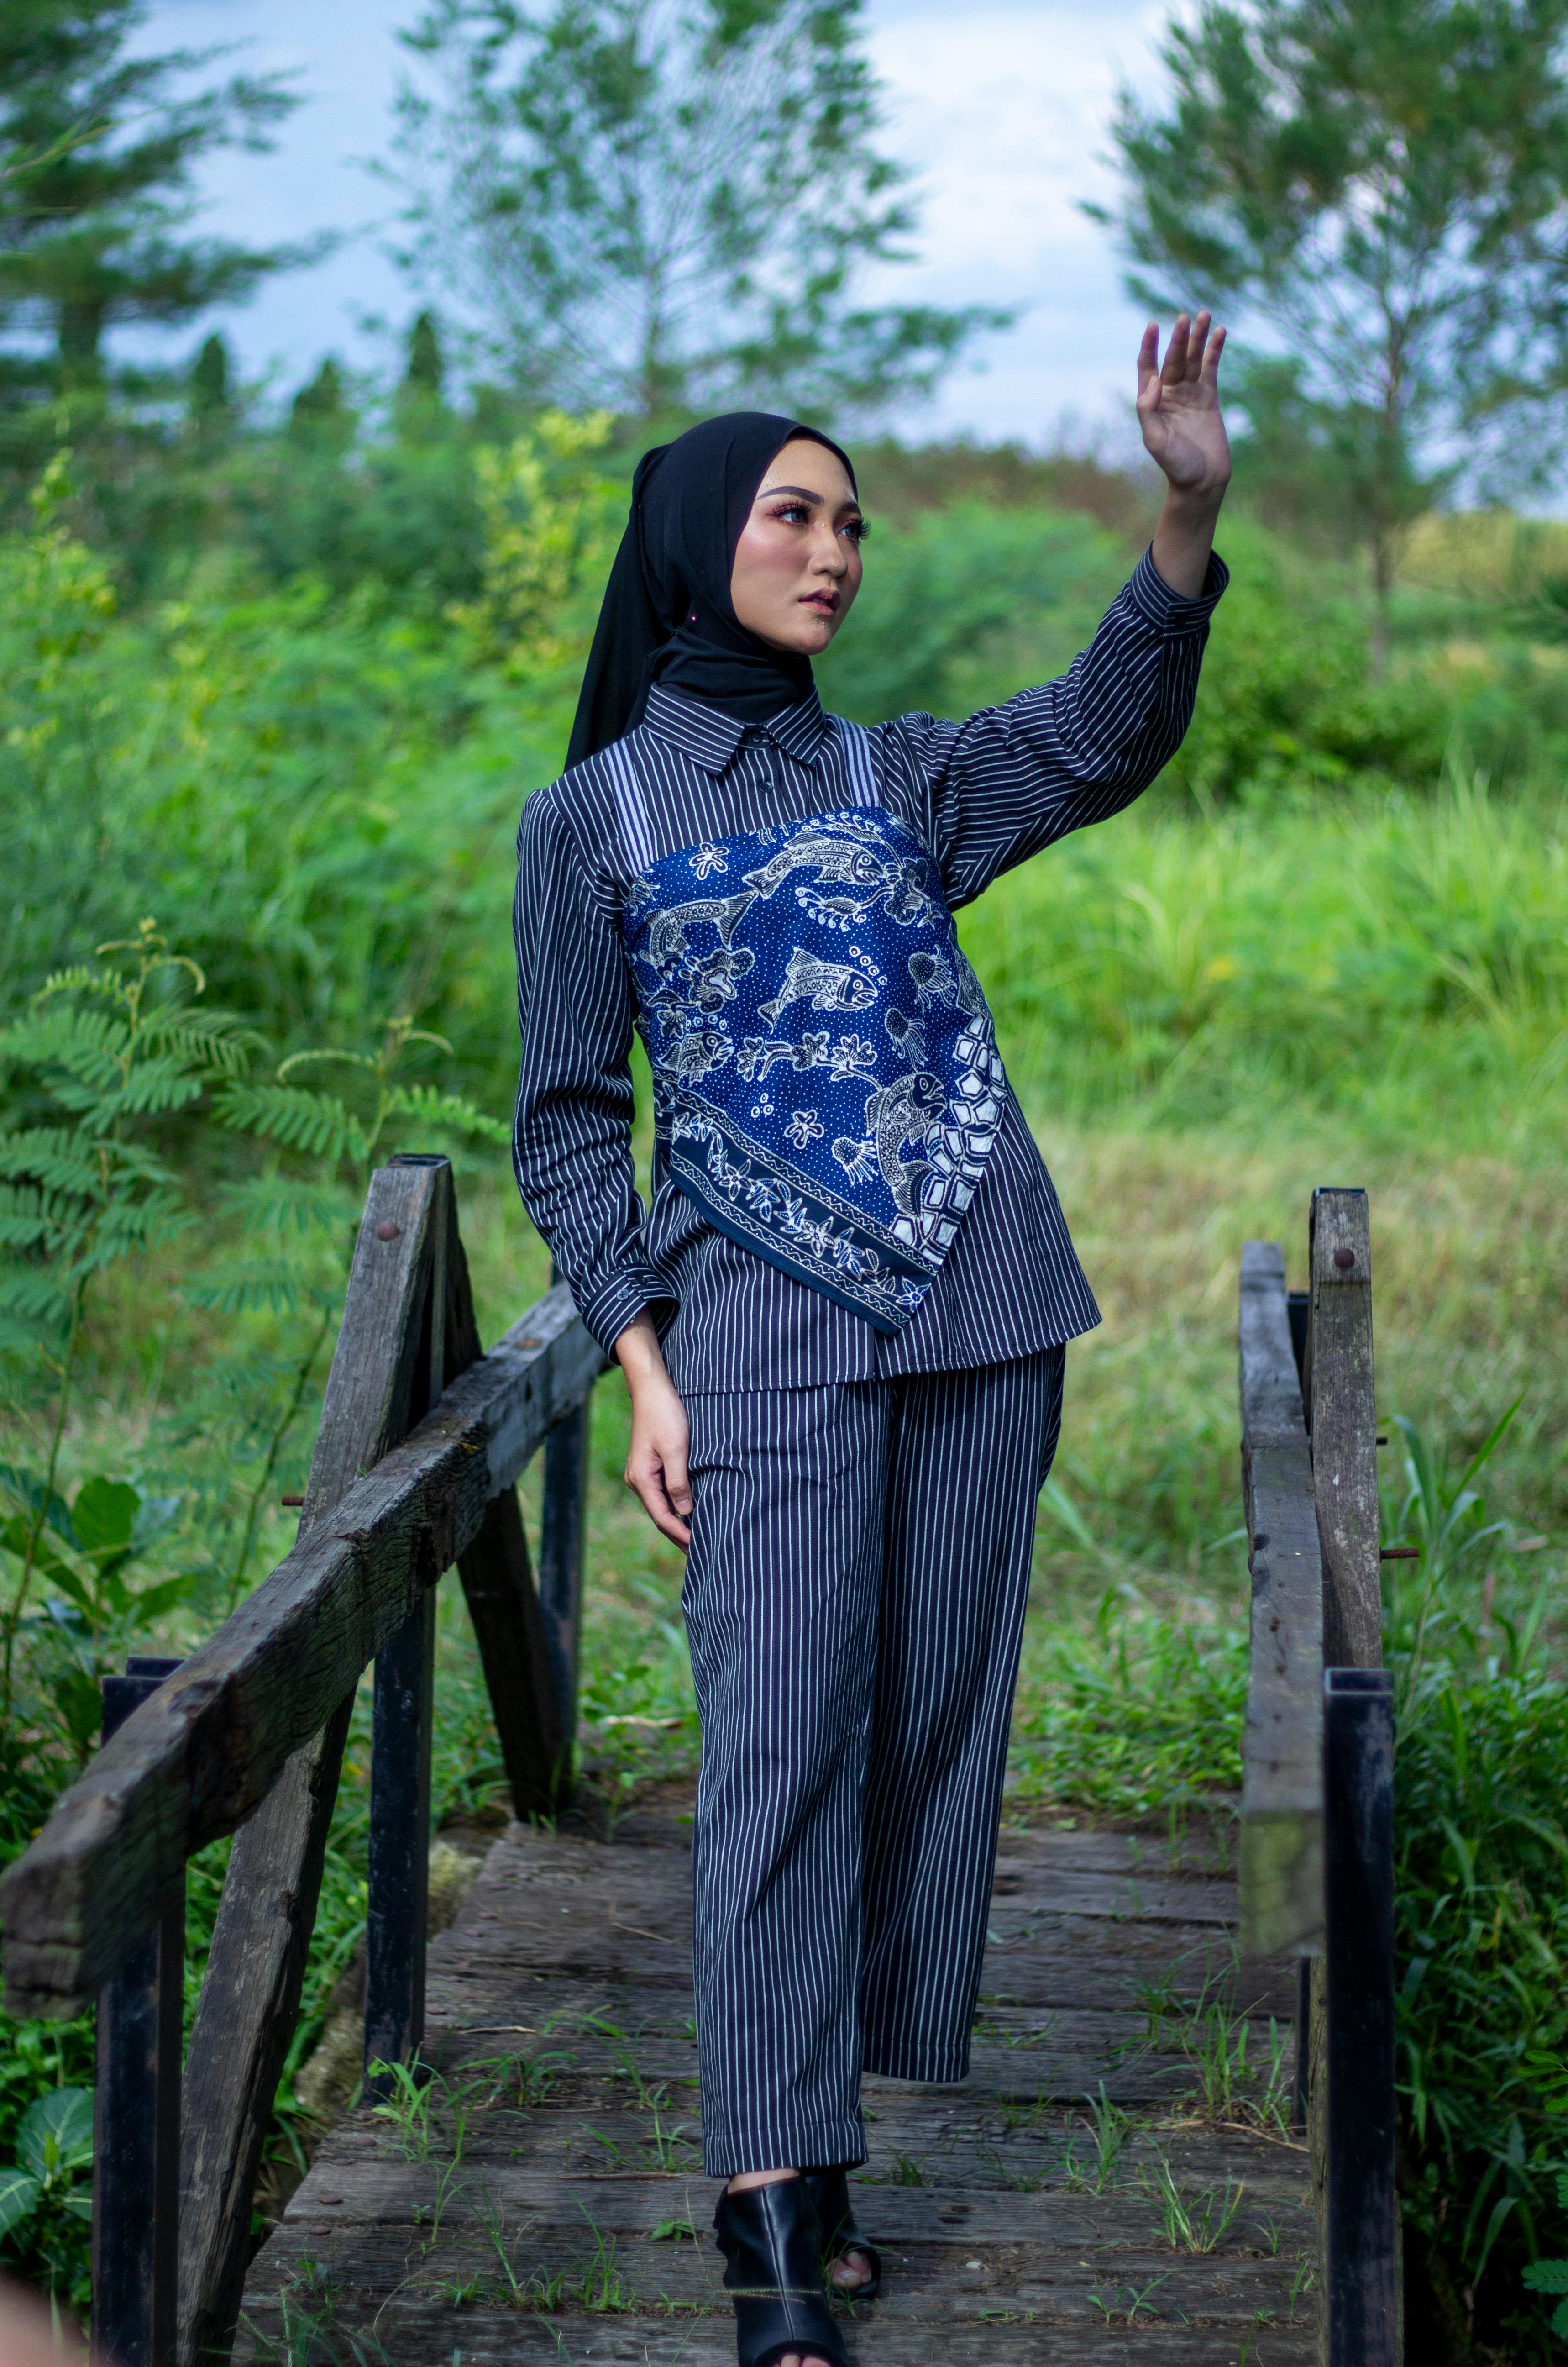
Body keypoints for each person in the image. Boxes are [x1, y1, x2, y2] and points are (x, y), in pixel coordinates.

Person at [513, 314, 1230, 2367]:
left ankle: (823, 2148)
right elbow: (567, 1124)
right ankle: (761, 2210)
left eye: (851, 523)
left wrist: (1185, 506)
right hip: (748, 1336)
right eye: (794, 517)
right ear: (693, 542)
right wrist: (641, 1364)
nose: (836, 553)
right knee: (773, 1755)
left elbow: (1100, 730)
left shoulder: (894, 773)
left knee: (925, 1730)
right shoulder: (600, 823)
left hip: (980, 1305)